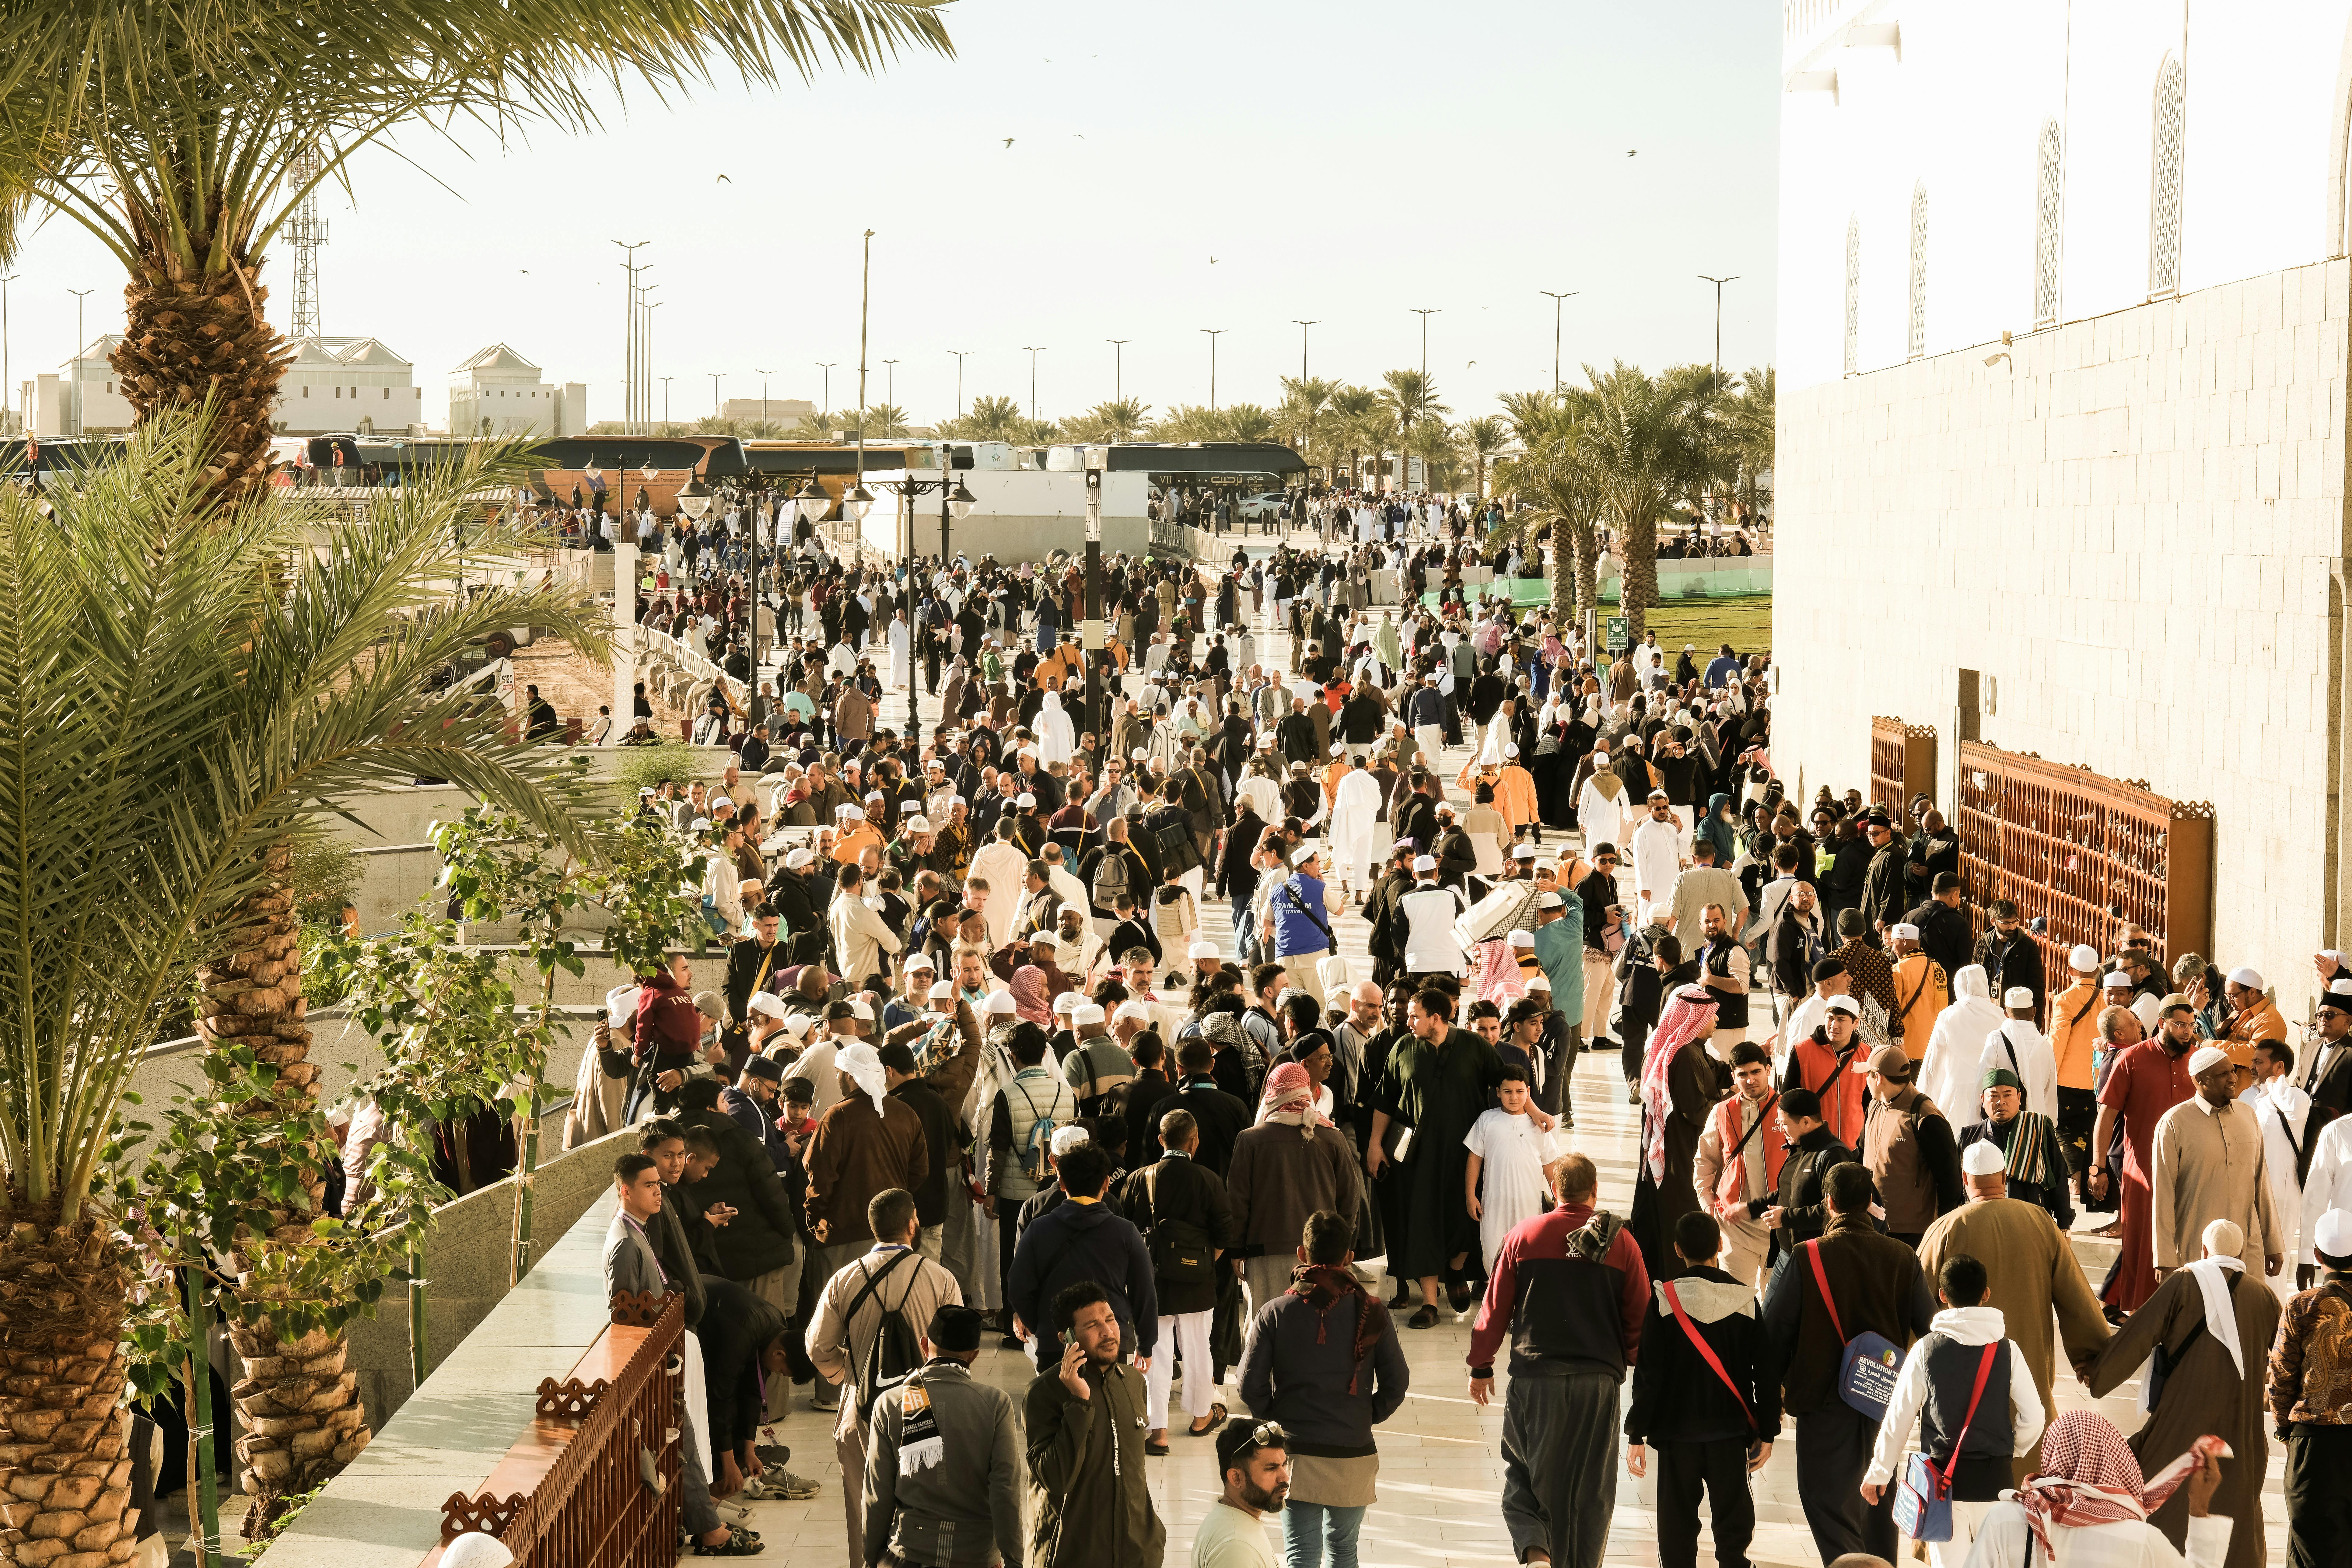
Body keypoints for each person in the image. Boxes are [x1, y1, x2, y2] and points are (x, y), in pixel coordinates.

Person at [1467, 1152, 1648, 1568]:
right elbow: (1639, 1317)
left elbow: (1495, 1308)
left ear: (1554, 1191)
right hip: (1598, 1384)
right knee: (1592, 1490)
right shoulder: (1622, 1243)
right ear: (1595, 1190)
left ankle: (1538, 1553)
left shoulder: (1524, 1236)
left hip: (1537, 1379)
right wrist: (1643, 1370)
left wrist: (1481, 1364)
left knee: (1525, 1473)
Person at [2084, 1217, 2277, 1568]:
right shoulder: (2262, 1295)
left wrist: (2098, 1373)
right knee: (2234, 1503)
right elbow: (2283, 1358)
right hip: (2240, 1424)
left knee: (2163, 1495)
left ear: (2204, 1249)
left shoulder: (2185, 1282)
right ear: (2240, 1253)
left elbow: (2140, 1333)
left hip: (2183, 1418)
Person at [1916, 1142, 2110, 1479]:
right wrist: (2093, 1358)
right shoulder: (2040, 1222)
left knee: (1957, 1508)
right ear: (2005, 1177)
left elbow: (1915, 1307)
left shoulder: (1945, 1229)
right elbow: (2077, 1300)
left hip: (1958, 1400)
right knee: (2027, 1500)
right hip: (2030, 1385)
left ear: (1965, 1178)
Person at [604, 1153, 764, 1557]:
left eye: (660, 1185)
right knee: (681, 1440)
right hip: (646, 1367)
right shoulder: (624, 1244)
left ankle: (706, 1528)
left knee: (684, 1440)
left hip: (659, 1361)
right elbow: (623, 1316)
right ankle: (709, 1532)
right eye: (649, 1185)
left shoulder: (637, 1231)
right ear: (625, 1190)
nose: (659, 1192)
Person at [1236, 1209, 1409, 1568]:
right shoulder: (1372, 1310)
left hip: (1296, 1455)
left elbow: (1248, 1383)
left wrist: (1275, 1417)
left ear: (1302, 1254)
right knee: (1345, 1553)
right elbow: (1397, 1382)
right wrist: (1366, 1414)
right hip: (1354, 1453)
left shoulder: (1275, 1312)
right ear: (1349, 1257)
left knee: (1301, 1556)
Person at [807, 1188, 962, 1568]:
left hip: (861, 1407)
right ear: (913, 1225)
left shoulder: (844, 1278)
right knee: (926, 1505)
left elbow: (817, 1347)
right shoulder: (940, 1278)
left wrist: (851, 1372)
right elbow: (958, 1348)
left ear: (873, 1227)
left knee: (864, 1508)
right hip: (926, 1406)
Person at [1861, 1254, 2046, 1568]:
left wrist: (1880, 1471)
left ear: (1942, 1295)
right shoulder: (2007, 1349)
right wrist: (2011, 1449)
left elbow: (1899, 1417)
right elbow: (2035, 1416)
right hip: (1997, 1486)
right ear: (1986, 1294)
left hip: (1943, 1489)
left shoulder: (1926, 1349)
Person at [1623, 1211, 1778, 1568]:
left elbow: (1649, 1374)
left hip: (1677, 1436)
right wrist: (1768, 1431)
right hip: (1729, 1435)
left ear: (1678, 1250)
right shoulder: (1745, 1300)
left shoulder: (1664, 1299)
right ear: (1720, 1245)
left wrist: (1636, 1434)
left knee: (1676, 1527)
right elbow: (1766, 1375)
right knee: (1734, 1526)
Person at [1367, 984, 1509, 1325]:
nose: (1408, 1020)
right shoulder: (1403, 1047)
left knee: (1466, 1219)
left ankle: (1457, 1268)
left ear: (1436, 1018)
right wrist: (1374, 1144)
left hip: (1466, 1155)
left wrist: (1531, 1115)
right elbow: (1386, 1100)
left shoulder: (1475, 1046)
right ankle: (1430, 1303)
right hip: (1416, 1159)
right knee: (1422, 1222)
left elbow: (1508, 1083)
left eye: (1415, 1016)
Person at [859, 1303, 1025, 1568]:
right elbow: (1006, 1492)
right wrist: (1014, 1560)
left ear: (925, 1346)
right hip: (976, 1557)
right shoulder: (996, 1404)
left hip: (909, 1554)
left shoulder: (891, 1403)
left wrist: (871, 1558)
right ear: (973, 1356)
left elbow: (877, 1495)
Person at [1957, 1410, 2231, 1568]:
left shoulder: (2004, 1519)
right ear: (2116, 1459)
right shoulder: (2142, 1540)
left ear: (2051, 1455)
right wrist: (2199, 1508)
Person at [1025, 1280, 1166, 1568]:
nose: (1108, 1332)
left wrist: (1152, 1540)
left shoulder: (1134, 1382)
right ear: (1066, 1337)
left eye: (1111, 1319)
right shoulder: (1044, 1393)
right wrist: (1079, 1402)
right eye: (1093, 1326)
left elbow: (1133, 1472)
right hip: (1071, 1556)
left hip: (1136, 1554)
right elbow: (1057, 1479)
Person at [1121, 1107, 1235, 1451]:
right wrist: (1201, 1264)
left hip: (1152, 1280)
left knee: (1156, 1350)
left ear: (1160, 1140)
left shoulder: (1140, 1178)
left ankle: (1158, 1432)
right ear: (1195, 1141)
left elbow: (1126, 1229)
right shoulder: (1209, 1180)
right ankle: (1201, 1416)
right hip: (1197, 1283)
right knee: (1199, 1347)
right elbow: (1225, 1233)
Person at [1007, 1144, 1158, 1373]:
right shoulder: (1126, 1232)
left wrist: (1044, 1325)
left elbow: (1017, 1288)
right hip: (1110, 1342)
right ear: (1107, 1184)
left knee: (1056, 1406)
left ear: (1063, 1184)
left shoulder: (1039, 1229)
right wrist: (1145, 1345)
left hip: (1056, 1342)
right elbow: (1145, 1292)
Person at [1228, 1062, 1364, 1315]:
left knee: (1267, 1328)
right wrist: (1342, 1246)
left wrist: (1237, 1249)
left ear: (1272, 1092)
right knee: (1317, 1329)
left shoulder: (1250, 1140)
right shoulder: (1333, 1138)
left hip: (1265, 1254)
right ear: (1306, 1091)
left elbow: (1238, 1201)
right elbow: (1350, 1200)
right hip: (1322, 1255)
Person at [2095, 999, 2202, 1314]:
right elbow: (2106, 1116)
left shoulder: (2197, 1062)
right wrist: (2096, 1167)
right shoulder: (2131, 1059)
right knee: (2141, 1247)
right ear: (2162, 1023)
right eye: (2181, 1025)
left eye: (2191, 1026)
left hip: (2189, 1172)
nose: (2187, 1032)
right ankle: (2137, 1312)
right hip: (2143, 1172)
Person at [2149, 1045, 2284, 1286]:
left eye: (2233, 1071)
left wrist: (2272, 1242)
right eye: (2223, 1074)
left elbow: (2261, 1182)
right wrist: (2165, 1257)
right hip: (2196, 1248)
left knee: (2245, 1317)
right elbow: (2163, 1194)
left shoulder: (2248, 1115)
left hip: (2247, 1248)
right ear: (2200, 1080)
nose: (2233, 1079)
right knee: (2198, 1317)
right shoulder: (2174, 1123)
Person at [2269, 1207, 2352, 1566]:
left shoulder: (2303, 1305)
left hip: (2316, 1445)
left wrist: (2285, 1429)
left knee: (2311, 1549)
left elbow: (2282, 1375)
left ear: (2318, 1256)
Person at [1632, 985, 1724, 1279]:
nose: (1716, 1022)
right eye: (1711, 1016)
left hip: (1676, 1149)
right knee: (1680, 1216)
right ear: (1694, 1020)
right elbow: (1696, 1110)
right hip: (1680, 1153)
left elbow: (1715, 1069)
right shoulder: (1683, 1055)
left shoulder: (1690, 1048)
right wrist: (1728, 1103)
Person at [1464, 1065, 1567, 1276]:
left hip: (1528, 1206)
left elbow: (1550, 1165)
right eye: (1508, 1092)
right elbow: (1475, 1158)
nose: (1514, 1098)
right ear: (1498, 1093)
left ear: (1528, 1092)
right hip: (1493, 1204)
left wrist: (1560, 1197)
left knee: (1527, 1257)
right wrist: (1470, 1195)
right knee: (1494, 1255)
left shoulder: (1539, 1127)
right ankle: (1495, 1305)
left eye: (1520, 1092)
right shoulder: (1487, 1120)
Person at [1694, 1041, 1780, 1290]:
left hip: (1777, 1224)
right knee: (1735, 1299)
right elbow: (1705, 1161)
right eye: (1742, 1074)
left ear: (1768, 1070)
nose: (1750, 1080)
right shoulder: (1721, 1111)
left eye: (1756, 1072)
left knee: (1773, 1306)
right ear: (1733, 1076)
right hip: (1734, 1224)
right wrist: (1709, 1206)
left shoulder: (1786, 1108)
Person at [1859, 1044, 1963, 1247]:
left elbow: (1950, 1182)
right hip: (1871, 1223)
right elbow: (1862, 1155)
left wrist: (1941, 1233)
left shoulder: (1927, 1118)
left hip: (1911, 1235)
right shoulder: (1874, 1106)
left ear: (1878, 1078)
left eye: (1869, 1075)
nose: (1866, 1080)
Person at [1956, 1069, 2074, 1231]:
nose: (2001, 1102)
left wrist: (2064, 1225)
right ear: (1983, 1100)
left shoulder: (2038, 1129)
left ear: (2019, 1098)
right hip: (1983, 1224)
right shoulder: (1970, 1137)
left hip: (2031, 1220)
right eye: (1994, 1096)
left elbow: (2059, 1176)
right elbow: (1956, 1184)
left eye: (2007, 1095)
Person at [1193, 1423, 1290, 1568]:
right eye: (1271, 1468)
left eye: (1284, 1465)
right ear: (1236, 1478)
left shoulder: (1233, 1520)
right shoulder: (1236, 1548)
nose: (1285, 1477)